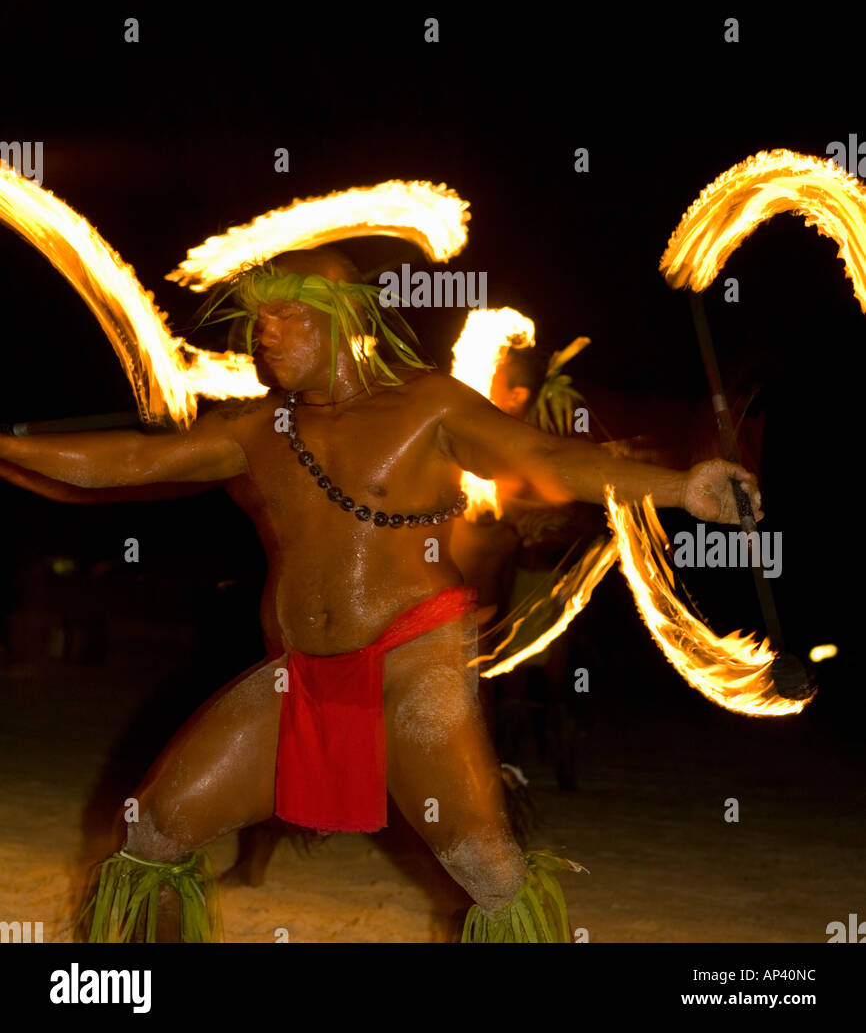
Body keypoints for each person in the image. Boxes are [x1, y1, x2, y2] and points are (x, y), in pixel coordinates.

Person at [0, 246, 762, 942]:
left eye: (284, 320)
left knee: (487, 867)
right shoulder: (261, 430)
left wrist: (680, 488)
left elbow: (546, 458)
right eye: (257, 325)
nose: (262, 338)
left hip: (414, 658)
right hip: (300, 674)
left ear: (341, 323)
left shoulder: (428, 405)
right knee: (155, 828)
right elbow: (128, 459)